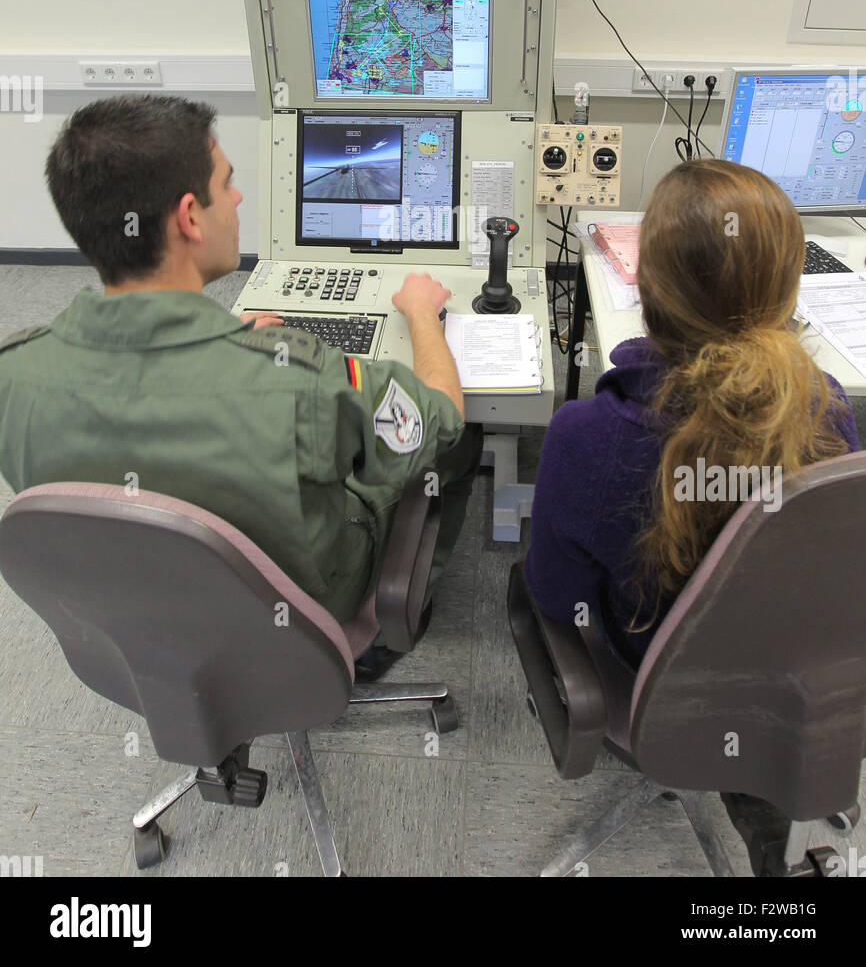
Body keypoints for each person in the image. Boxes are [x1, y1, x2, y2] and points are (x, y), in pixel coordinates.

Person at [0, 95, 481, 674]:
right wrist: (422, 314)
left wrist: (217, 340)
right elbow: (439, 415)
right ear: (190, 217)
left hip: (128, 622)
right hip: (296, 614)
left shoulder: (15, 373)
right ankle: (380, 638)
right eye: (226, 183)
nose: (239, 197)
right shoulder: (301, 381)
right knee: (457, 446)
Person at [524, 159, 858, 668]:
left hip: (652, 671)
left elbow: (558, 599)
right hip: (786, 671)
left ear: (649, 288)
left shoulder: (586, 434)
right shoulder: (826, 406)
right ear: (786, 290)